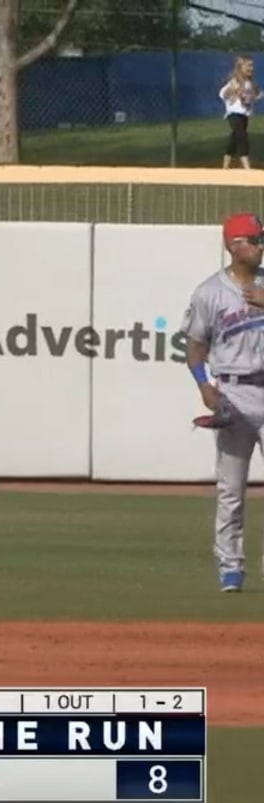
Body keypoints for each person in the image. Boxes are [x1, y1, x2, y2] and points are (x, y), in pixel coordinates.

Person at [181, 212, 264, 593]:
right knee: (231, 488)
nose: (261, 247)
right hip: (232, 390)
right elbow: (195, 351)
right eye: (255, 240)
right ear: (234, 246)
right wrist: (204, 387)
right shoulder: (209, 293)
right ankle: (230, 566)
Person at [221, 56, 258, 169]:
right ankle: (246, 164)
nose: (251, 68)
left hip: (243, 114)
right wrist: (231, 91)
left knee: (235, 138)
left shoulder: (249, 83)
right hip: (233, 114)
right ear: (240, 67)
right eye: (248, 66)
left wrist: (249, 98)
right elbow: (222, 94)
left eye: (252, 66)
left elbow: (251, 97)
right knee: (242, 137)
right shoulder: (234, 82)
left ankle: (226, 163)